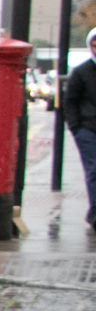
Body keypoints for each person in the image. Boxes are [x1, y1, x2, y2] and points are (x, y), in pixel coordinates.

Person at [63, 28, 96, 228]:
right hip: (87, 129)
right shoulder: (82, 72)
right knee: (94, 170)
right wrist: (76, 127)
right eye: (94, 45)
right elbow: (70, 101)